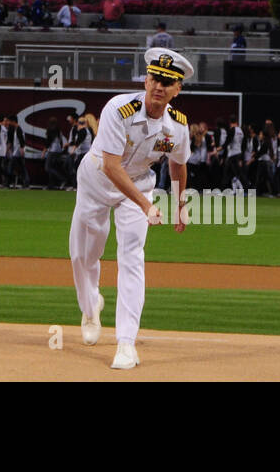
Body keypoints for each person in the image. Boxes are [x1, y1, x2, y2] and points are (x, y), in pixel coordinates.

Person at [69, 47, 193, 371]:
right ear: (146, 78)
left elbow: (178, 166)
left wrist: (180, 203)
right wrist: (147, 205)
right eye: (154, 78)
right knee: (85, 254)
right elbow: (111, 166)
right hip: (97, 179)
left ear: (177, 89)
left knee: (132, 258)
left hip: (138, 186)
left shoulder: (177, 127)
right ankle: (90, 302)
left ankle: (126, 344)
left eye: (167, 82)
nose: (158, 87)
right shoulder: (119, 109)